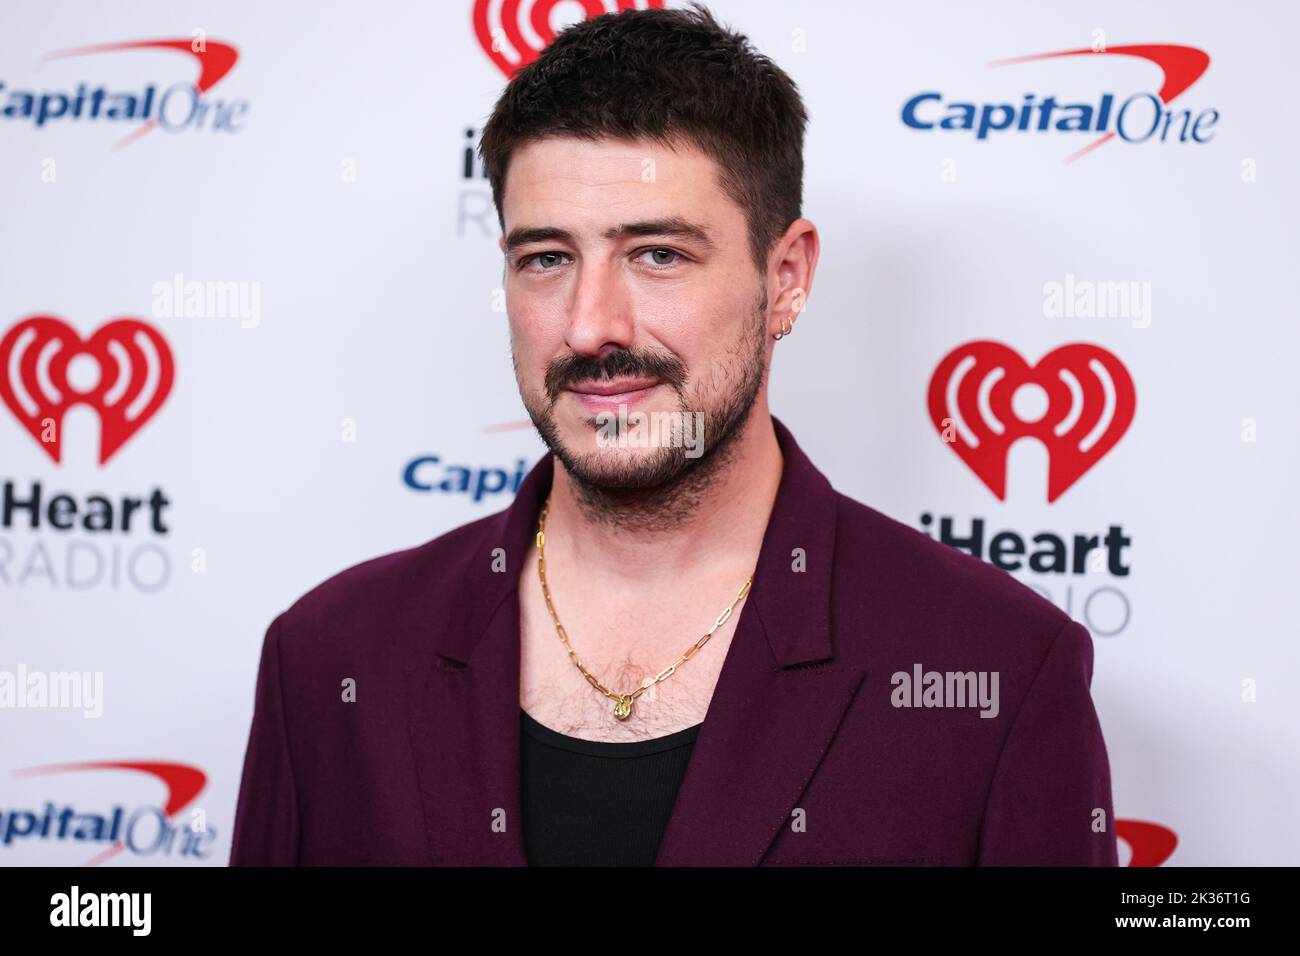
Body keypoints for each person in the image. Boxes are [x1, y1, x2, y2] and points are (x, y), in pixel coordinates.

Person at [229, 2, 1117, 866]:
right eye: (546, 259)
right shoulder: (329, 658)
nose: (590, 327)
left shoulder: (997, 672)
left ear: (788, 277)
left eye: (657, 254)